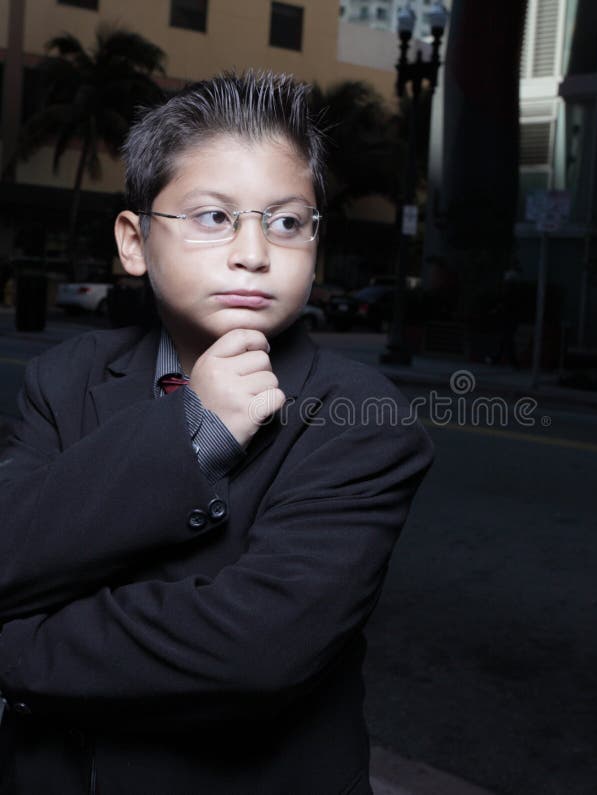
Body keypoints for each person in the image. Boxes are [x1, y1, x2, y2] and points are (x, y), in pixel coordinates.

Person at [0, 71, 434, 794]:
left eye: (287, 221)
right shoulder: (64, 378)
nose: (254, 252)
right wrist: (192, 430)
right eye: (212, 216)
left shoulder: (364, 417)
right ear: (134, 241)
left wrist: (14, 642)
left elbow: (258, 647)